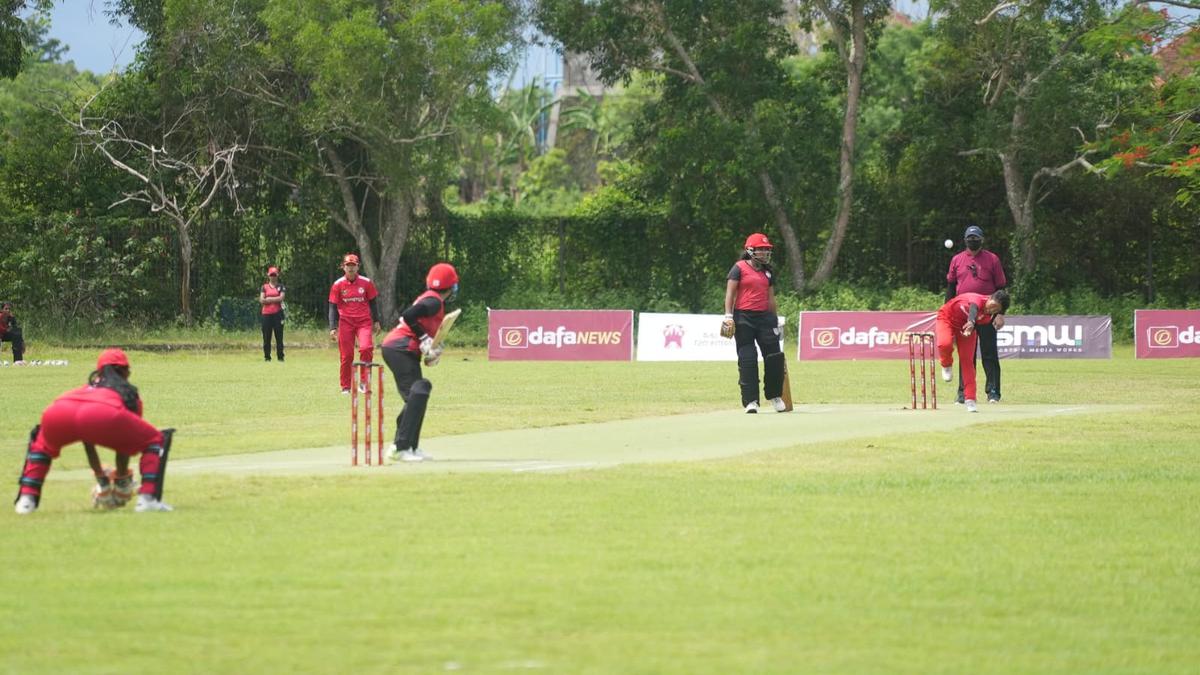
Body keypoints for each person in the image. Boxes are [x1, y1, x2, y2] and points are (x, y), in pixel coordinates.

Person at [14, 348, 175, 514]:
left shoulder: (87, 388)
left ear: (98, 371)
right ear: (126, 371)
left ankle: (26, 501)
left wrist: (102, 479)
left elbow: (87, 439)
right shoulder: (128, 393)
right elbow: (124, 445)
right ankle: (147, 499)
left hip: (59, 408)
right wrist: (121, 482)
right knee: (155, 440)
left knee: (41, 447)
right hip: (102, 412)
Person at [380, 262, 459, 462]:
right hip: (399, 348)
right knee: (418, 391)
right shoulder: (434, 302)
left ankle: (411, 447)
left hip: (404, 349)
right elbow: (407, 316)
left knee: (419, 394)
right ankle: (399, 447)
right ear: (452, 287)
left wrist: (431, 351)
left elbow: (423, 331)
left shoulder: (432, 300)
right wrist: (424, 339)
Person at [722, 233, 788, 414]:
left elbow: (771, 298)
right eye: (762, 250)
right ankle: (751, 401)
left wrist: (776, 321)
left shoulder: (768, 272)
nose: (766, 253)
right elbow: (730, 294)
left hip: (765, 318)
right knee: (748, 359)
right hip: (743, 318)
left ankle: (775, 396)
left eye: (767, 250)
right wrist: (728, 316)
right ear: (750, 250)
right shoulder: (739, 268)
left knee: (774, 357)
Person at [946, 225, 1007, 403]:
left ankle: (993, 392)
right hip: (964, 313)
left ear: (982, 240)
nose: (973, 240)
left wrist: (1001, 313)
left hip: (987, 311)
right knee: (966, 355)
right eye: (970, 238)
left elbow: (1001, 289)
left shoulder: (992, 259)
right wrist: (949, 313)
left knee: (989, 354)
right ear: (965, 240)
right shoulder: (957, 260)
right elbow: (950, 288)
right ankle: (963, 393)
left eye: (976, 238)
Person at [935, 290, 1010, 413]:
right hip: (946, 318)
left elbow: (976, 323)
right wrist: (971, 322)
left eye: (996, 310)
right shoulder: (977, 299)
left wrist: (970, 329)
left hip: (965, 328)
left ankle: (970, 399)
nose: (992, 310)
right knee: (945, 344)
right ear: (990, 298)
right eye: (993, 306)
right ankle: (946, 364)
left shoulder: (987, 318)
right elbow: (973, 309)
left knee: (967, 361)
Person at [328, 254, 381, 393]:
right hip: (346, 322)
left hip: (363, 322)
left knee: (366, 348)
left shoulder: (366, 282)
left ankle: (364, 383)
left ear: (358, 266)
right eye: (348, 265)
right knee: (347, 355)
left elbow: (373, 302)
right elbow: (332, 306)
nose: (350, 268)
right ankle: (345, 386)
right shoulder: (338, 284)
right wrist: (333, 327)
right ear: (343, 267)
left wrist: (376, 321)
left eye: (353, 265)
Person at [259, 266, 286, 362]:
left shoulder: (281, 286)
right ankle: (267, 357)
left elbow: (281, 298)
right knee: (266, 337)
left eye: (274, 275)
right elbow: (261, 300)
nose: (273, 277)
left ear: (277, 275)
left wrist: (269, 299)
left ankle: (280, 357)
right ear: (268, 275)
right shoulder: (264, 287)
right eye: (271, 275)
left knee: (279, 336)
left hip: (278, 314)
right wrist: (273, 299)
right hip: (266, 314)